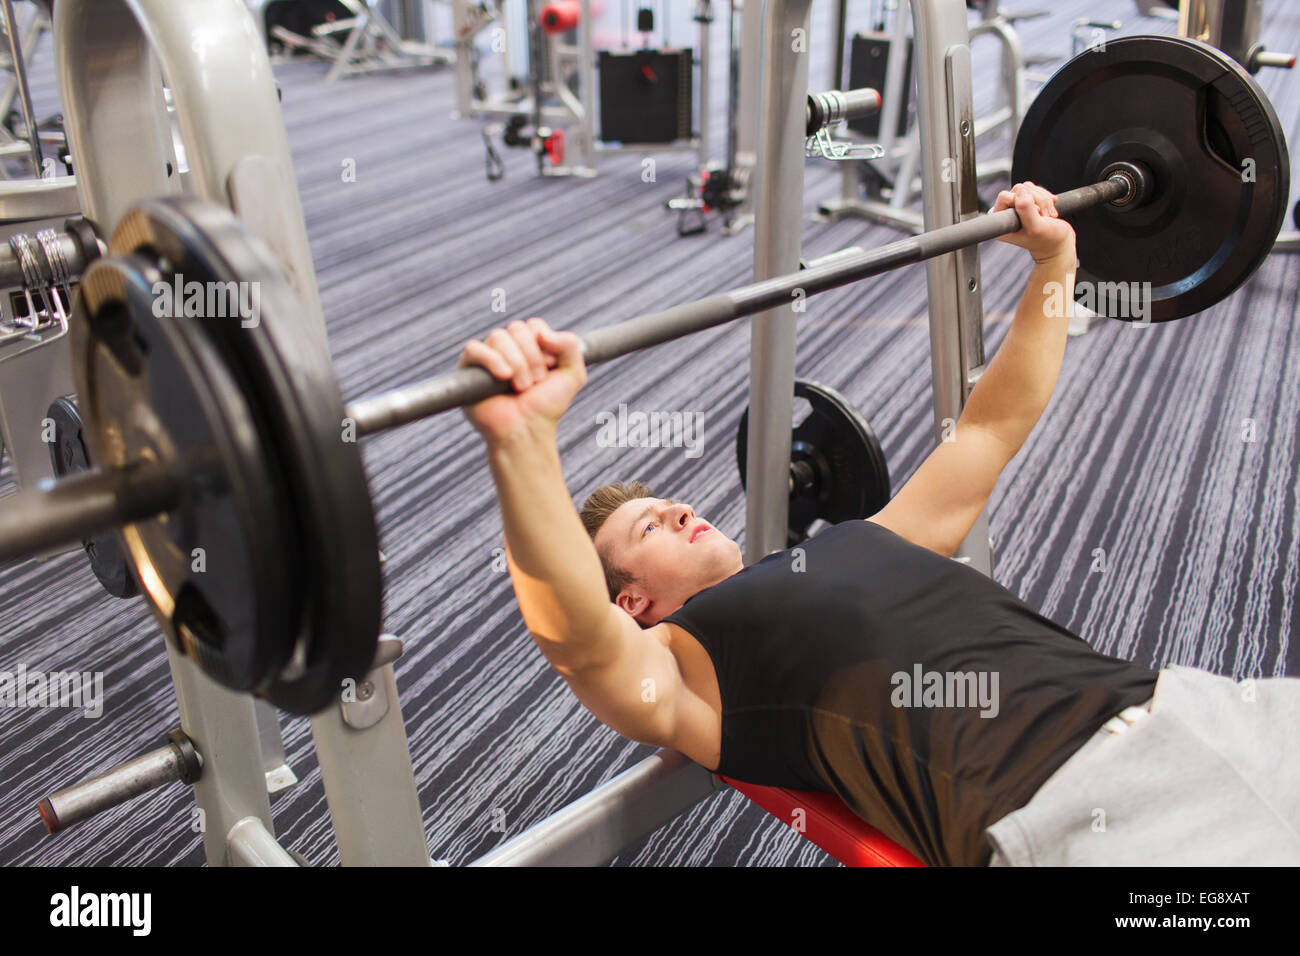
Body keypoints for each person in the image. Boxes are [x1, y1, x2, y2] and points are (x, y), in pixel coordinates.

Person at [458, 183, 1300, 866]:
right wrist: (524, 442)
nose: (682, 509)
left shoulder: (865, 539)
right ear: (634, 603)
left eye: (670, 504)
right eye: (649, 529)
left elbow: (989, 429)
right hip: (1085, 815)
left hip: (1205, 711)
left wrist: (1056, 261)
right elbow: (577, 640)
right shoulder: (683, 673)